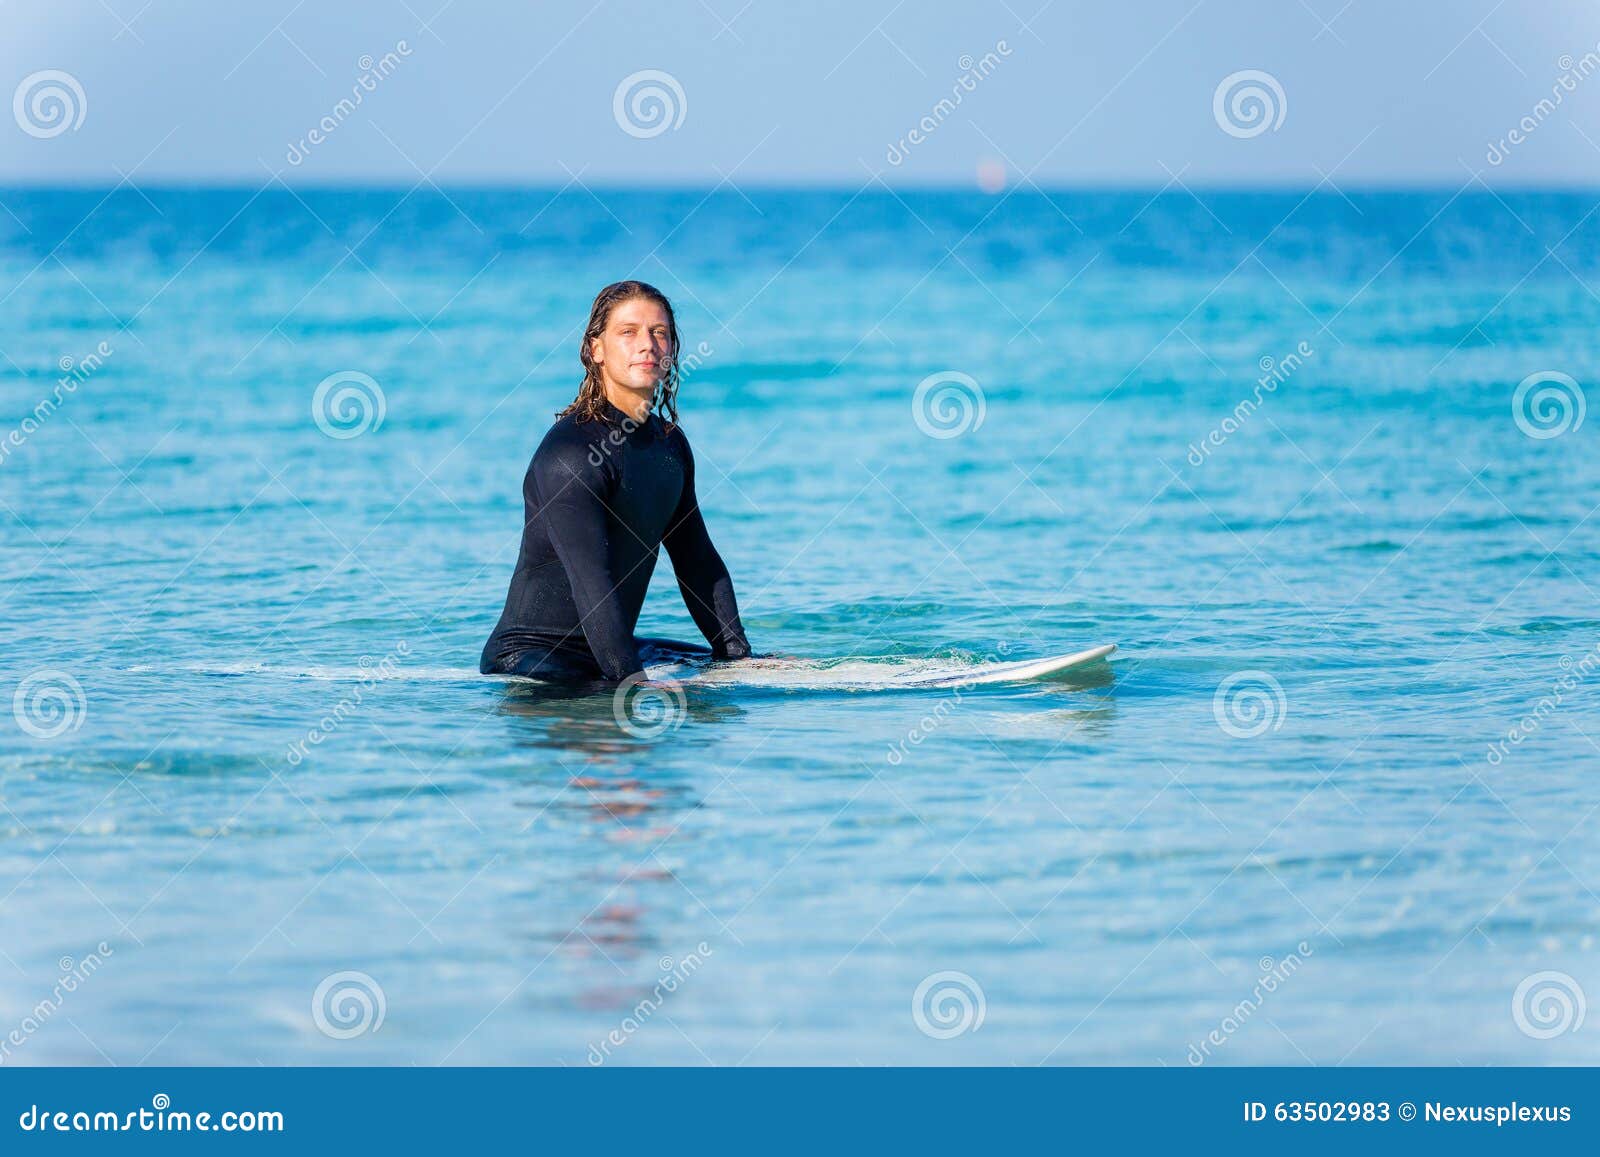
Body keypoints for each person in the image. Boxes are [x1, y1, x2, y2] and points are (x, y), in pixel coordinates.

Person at [480, 280, 752, 683]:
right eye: (628, 332)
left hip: (609, 643)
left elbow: (697, 563)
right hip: (532, 659)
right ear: (596, 350)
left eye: (659, 333)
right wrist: (632, 684)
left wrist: (738, 658)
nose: (647, 345)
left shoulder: (670, 445)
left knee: (734, 666)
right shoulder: (571, 455)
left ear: (673, 349)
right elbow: (594, 587)